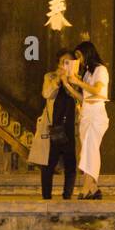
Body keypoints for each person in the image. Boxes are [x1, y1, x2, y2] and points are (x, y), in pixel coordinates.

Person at [28, 49, 78, 200]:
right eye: (64, 62)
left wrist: (70, 80)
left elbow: (76, 96)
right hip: (53, 126)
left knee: (70, 164)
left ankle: (67, 195)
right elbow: (46, 94)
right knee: (48, 164)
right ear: (58, 63)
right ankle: (46, 196)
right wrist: (58, 80)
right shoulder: (49, 76)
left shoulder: (77, 79)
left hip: (70, 126)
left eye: (69, 62)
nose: (66, 65)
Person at [65, 40, 110, 200]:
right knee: (87, 150)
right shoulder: (87, 73)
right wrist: (70, 87)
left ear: (87, 53)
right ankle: (94, 188)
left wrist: (78, 82)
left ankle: (86, 188)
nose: (79, 59)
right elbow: (83, 97)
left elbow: (98, 90)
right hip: (86, 113)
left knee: (90, 149)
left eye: (79, 55)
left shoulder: (100, 70)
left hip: (97, 114)